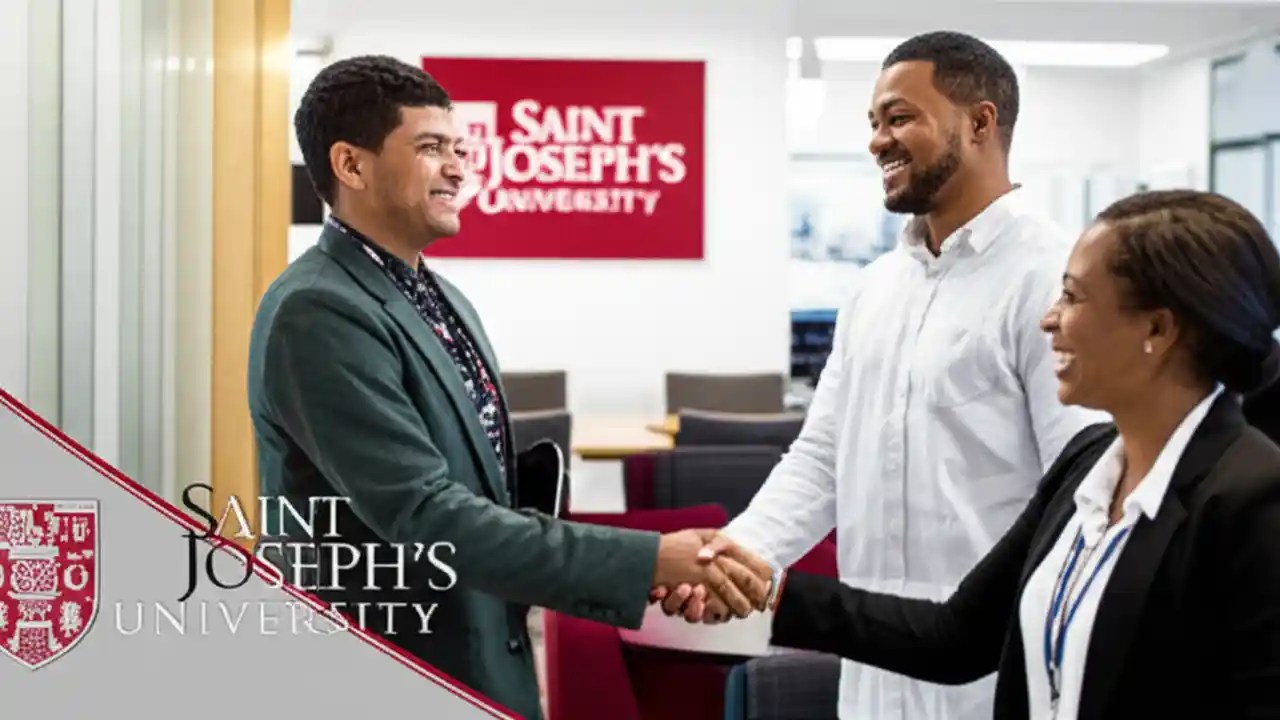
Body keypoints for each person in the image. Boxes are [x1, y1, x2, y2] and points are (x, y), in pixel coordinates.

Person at [245, 55, 770, 719]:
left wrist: (644, 572)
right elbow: (426, 515)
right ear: (351, 165)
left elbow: (481, 487)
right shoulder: (318, 310)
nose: (459, 167)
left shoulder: (445, 298)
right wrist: (646, 562)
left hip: (482, 658)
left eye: (460, 147)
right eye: (432, 148)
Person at [657, 31, 1106, 720]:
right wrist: (732, 560)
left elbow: (1078, 499)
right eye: (873, 123)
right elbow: (821, 463)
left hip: (995, 677)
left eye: (899, 118)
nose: (877, 141)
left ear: (980, 123)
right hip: (873, 675)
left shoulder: (1051, 277)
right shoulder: (874, 289)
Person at [757, 189, 1280, 719]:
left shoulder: (1253, 501)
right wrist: (765, 595)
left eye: (1073, 298)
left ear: (1157, 329)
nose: (1049, 320)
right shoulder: (1086, 466)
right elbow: (954, 637)